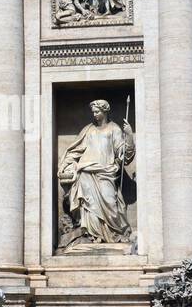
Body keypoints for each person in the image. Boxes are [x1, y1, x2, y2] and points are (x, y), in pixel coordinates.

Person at [57, 99, 136, 247]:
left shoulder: (114, 129)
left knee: (110, 202)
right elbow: (75, 150)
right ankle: (92, 236)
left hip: (106, 173)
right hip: (86, 172)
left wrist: (129, 135)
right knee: (89, 206)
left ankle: (113, 234)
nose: (94, 114)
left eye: (97, 111)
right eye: (93, 112)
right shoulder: (88, 130)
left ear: (105, 111)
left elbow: (124, 154)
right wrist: (68, 164)